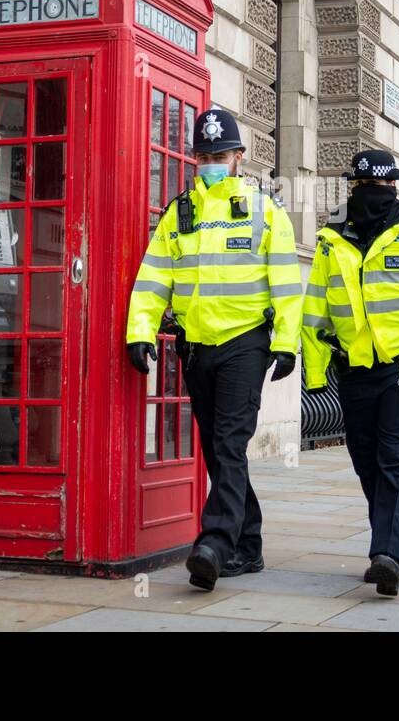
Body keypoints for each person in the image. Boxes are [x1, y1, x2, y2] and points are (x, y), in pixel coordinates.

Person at [125, 107, 303, 591]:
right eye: (204, 155)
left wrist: (287, 343)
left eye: (220, 154)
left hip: (245, 344)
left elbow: (287, 284)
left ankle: (214, 544)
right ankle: (250, 545)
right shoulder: (179, 212)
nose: (211, 162)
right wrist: (140, 331)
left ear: (240, 157)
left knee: (227, 444)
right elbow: (153, 277)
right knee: (218, 449)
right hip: (196, 348)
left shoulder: (267, 210)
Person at [301, 149, 399, 597]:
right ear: (354, 188)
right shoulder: (333, 237)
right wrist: (314, 373)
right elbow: (316, 310)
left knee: (397, 460)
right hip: (354, 370)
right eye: (368, 188)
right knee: (366, 461)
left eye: (384, 187)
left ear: (394, 187)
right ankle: (385, 546)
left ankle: (387, 556)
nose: (377, 195)